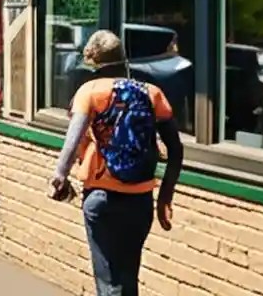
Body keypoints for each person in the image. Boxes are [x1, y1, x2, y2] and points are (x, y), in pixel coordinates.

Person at [48, 29, 183, 296]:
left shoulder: (90, 91)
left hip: (101, 197)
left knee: (108, 282)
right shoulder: (152, 93)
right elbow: (176, 150)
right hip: (141, 198)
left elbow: (72, 141)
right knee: (128, 279)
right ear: (124, 60)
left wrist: (59, 177)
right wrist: (164, 197)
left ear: (94, 64)